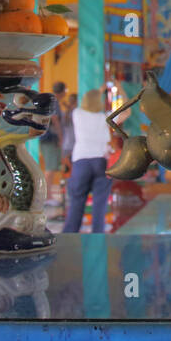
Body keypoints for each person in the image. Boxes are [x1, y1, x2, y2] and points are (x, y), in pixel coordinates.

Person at [64, 88, 132, 233]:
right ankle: (97, 234)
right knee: (100, 203)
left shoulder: (77, 114)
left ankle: (70, 233)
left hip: (81, 161)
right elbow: (127, 112)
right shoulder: (106, 118)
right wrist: (120, 89)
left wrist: (98, 90)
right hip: (101, 161)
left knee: (77, 201)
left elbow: (88, 99)